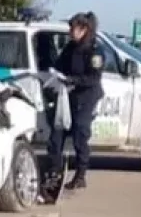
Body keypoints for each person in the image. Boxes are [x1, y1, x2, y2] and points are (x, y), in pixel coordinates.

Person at [43, 11, 104, 198]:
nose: (70, 32)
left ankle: (80, 174)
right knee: (57, 133)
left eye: (73, 28)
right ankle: (54, 172)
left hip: (86, 97)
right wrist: (56, 74)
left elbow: (93, 78)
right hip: (67, 95)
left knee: (80, 132)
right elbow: (60, 65)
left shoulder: (95, 50)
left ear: (83, 29)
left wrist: (72, 80)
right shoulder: (71, 46)